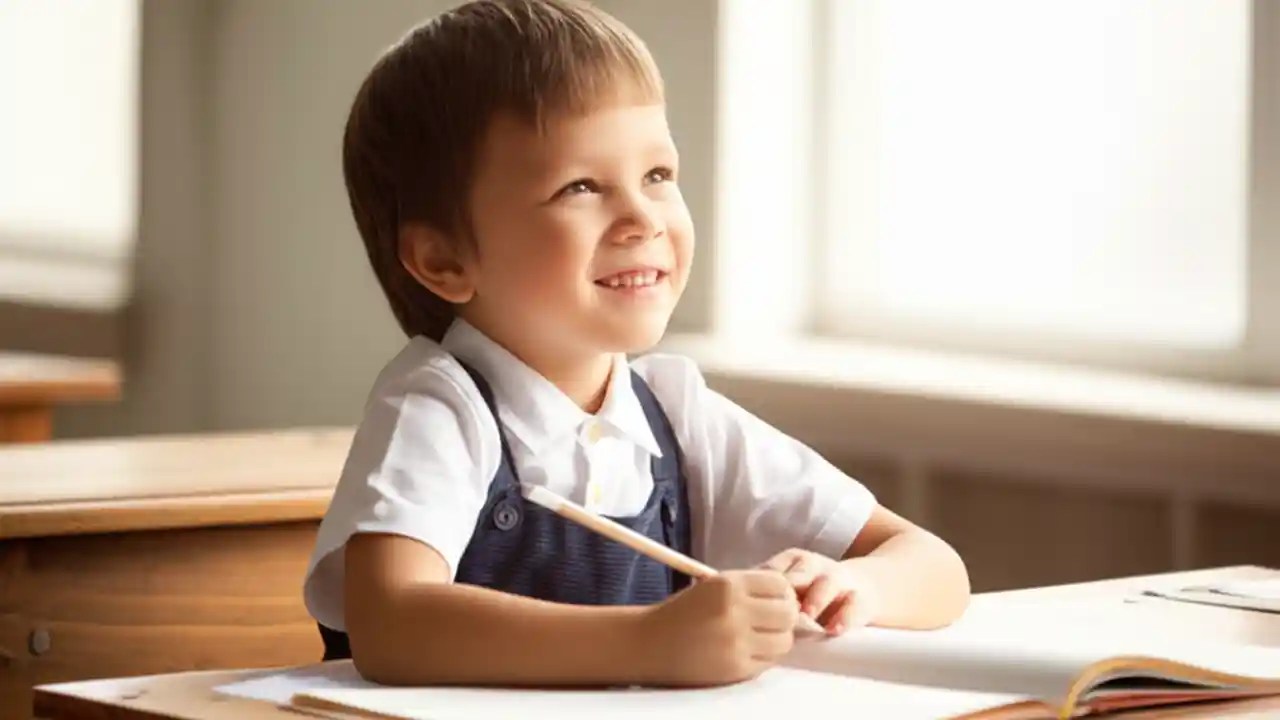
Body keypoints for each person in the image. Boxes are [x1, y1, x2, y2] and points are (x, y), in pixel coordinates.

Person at [302, 0, 970, 689]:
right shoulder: (440, 407)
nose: (642, 219)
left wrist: (851, 584)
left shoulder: (678, 416)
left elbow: (933, 565)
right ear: (443, 259)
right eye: (581, 186)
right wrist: (650, 642)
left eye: (657, 176)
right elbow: (392, 623)